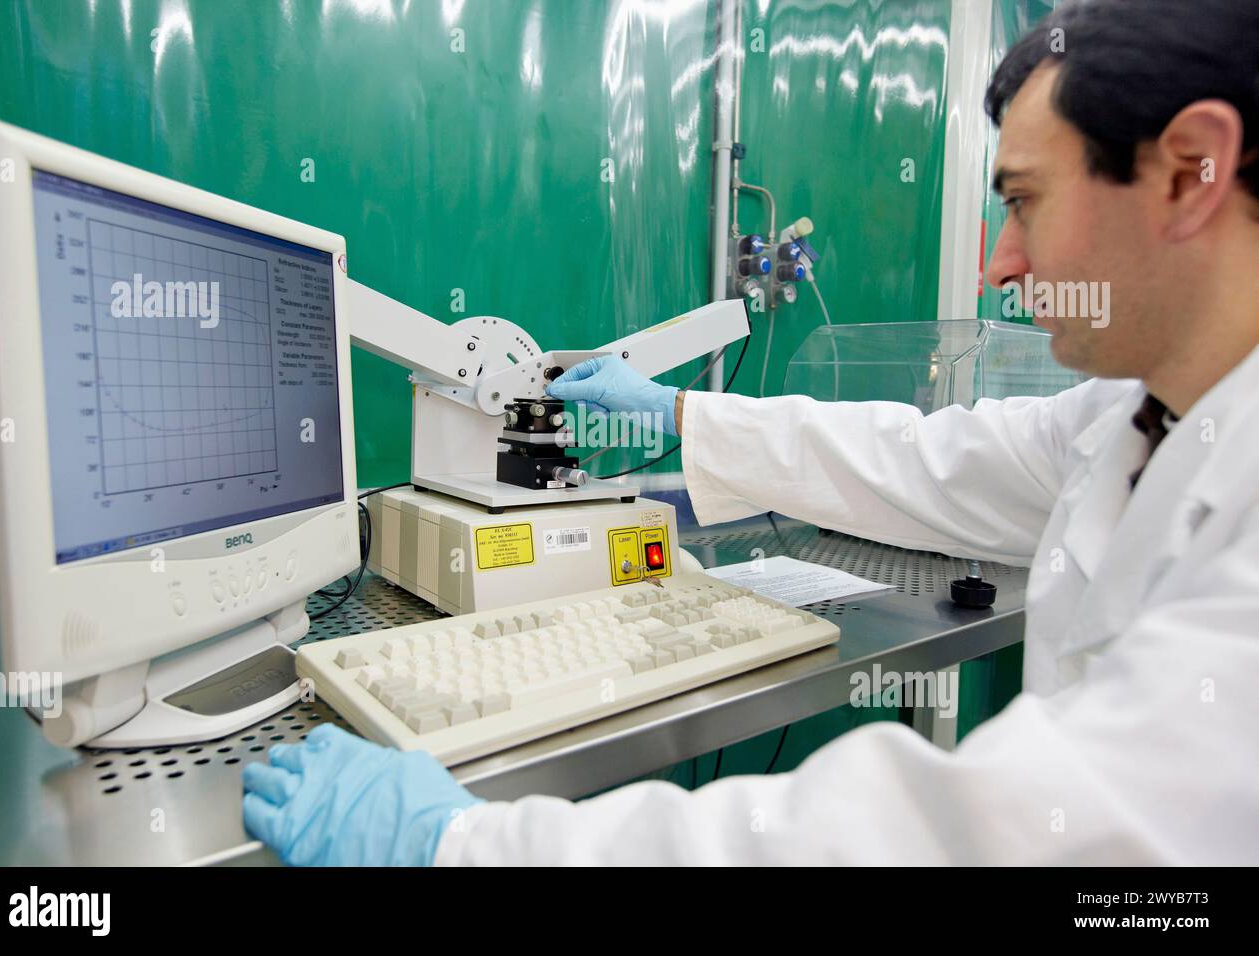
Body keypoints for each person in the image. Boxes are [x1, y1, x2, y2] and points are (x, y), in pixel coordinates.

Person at [243, 0, 1259, 865]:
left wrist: (464, 845)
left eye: (1024, 203)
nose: (998, 264)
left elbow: (979, 832)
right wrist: (679, 414)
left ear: (1189, 172)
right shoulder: (1135, 418)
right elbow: (917, 460)